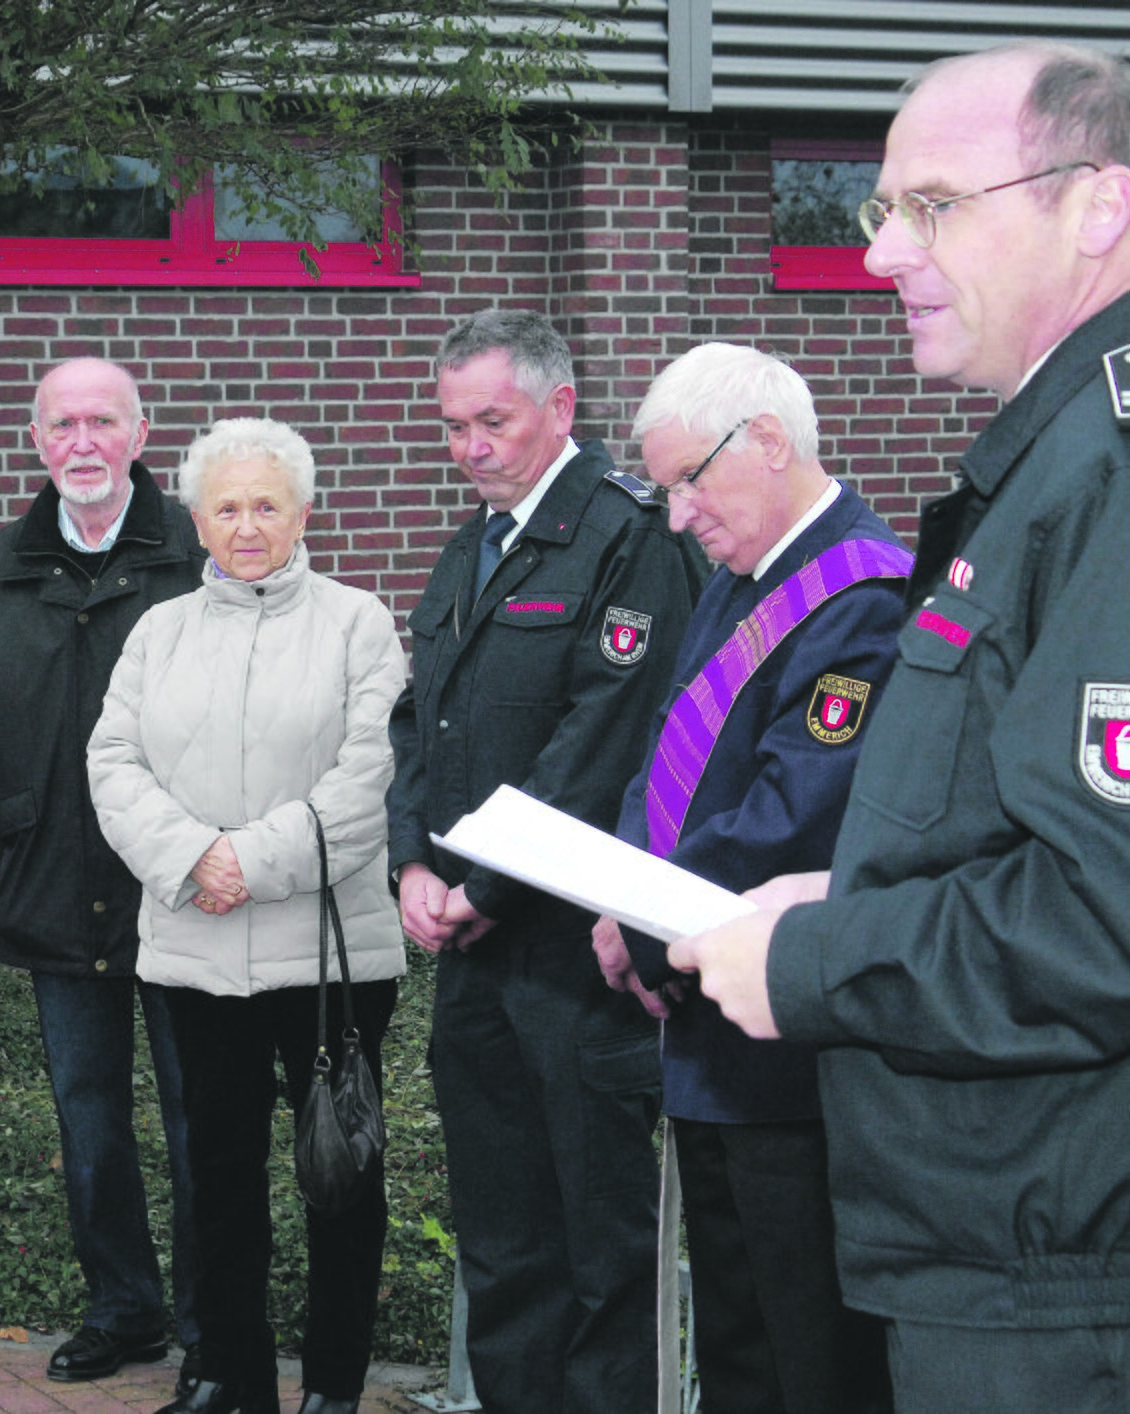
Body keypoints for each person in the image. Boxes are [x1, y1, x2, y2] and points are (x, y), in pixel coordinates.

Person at [667, 42, 1130, 1413]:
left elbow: (1100, 919)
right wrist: (852, 886)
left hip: (1058, 1282)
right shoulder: (1050, 467)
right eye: (880, 210)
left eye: (931, 204)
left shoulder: (1106, 477)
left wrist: (818, 955)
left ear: (1097, 207)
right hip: (1005, 1247)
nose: (881, 254)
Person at [385, 309, 704, 1414]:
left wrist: (484, 884)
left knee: (597, 1244)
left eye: (490, 421)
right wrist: (409, 867)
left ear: (558, 407)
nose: (467, 445)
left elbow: (602, 740)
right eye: (451, 425)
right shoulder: (472, 544)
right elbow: (415, 723)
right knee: (501, 1234)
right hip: (473, 954)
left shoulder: (627, 537)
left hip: (576, 955)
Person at [594, 344, 904, 1414]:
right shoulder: (740, 583)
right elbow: (666, 753)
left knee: (802, 1349)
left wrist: (641, 923)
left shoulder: (862, 594)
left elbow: (790, 813)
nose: (675, 516)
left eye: (688, 482)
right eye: (661, 488)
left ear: (766, 442)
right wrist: (625, 889)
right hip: (709, 1023)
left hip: (789, 1051)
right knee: (733, 1340)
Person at [87, 417, 405, 1414]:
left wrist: (245, 861)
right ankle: (227, 1369)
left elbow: (368, 778)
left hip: (330, 954)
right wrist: (190, 859)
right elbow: (112, 763)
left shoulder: (358, 624)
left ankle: (335, 1383)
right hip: (194, 948)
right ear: (195, 518)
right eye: (225, 506)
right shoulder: (157, 630)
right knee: (214, 1168)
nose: (247, 524)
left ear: (303, 512)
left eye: (267, 503)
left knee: (337, 1172)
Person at [0, 358, 206, 1389]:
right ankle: (123, 1308)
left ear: (141, 434)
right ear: (35, 442)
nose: (81, 443)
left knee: (199, 1120)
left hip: (183, 891)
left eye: (102, 422)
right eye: (60, 425)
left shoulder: (195, 553)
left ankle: (207, 1320)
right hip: (47, 884)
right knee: (87, 1120)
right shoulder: (2, 564)